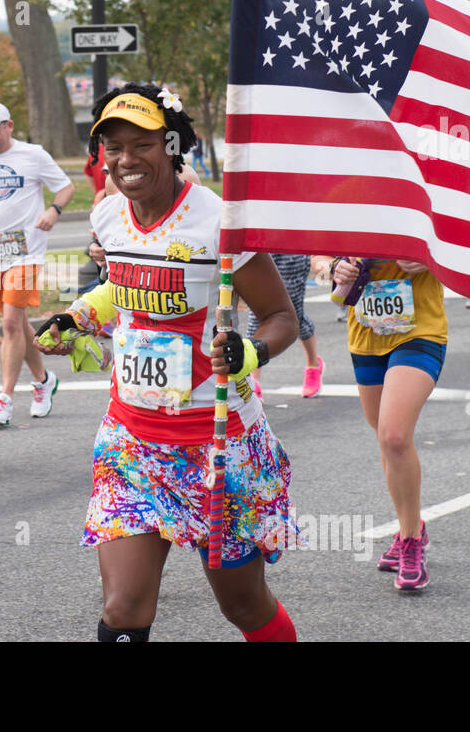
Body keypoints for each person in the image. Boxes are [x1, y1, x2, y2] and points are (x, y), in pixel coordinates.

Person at [37, 83, 299, 642]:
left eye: (142, 144)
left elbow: (281, 315)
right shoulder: (109, 217)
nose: (126, 160)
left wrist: (249, 352)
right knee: (123, 606)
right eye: (112, 147)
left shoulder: (220, 224)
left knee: (244, 607)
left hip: (218, 446)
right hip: (132, 442)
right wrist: (78, 316)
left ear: (174, 144)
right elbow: (123, 289)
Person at [318, 253, 447, 591]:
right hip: (366, 333)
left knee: (394, 435)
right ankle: (412, 522)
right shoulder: (345, 203)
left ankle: (410, 541)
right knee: (384, 435)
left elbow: (465, 243)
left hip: (419, 330)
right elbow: (315, 249)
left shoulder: (425, 199)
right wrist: (333, 267)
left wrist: (435, 259)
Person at [0, 102, 74, 425]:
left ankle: (4, 397)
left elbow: (65, 187)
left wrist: (53, 211)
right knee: (17, 322)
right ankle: (43, 381)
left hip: (27, 251)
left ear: (8, 126)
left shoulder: (32, 154)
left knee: (9, 323)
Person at [246, 255, 324, 398]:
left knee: (292, 314)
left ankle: (313, 365)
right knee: (256, 314)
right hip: (259, 244)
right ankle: (253, 379)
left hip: (289, 248)